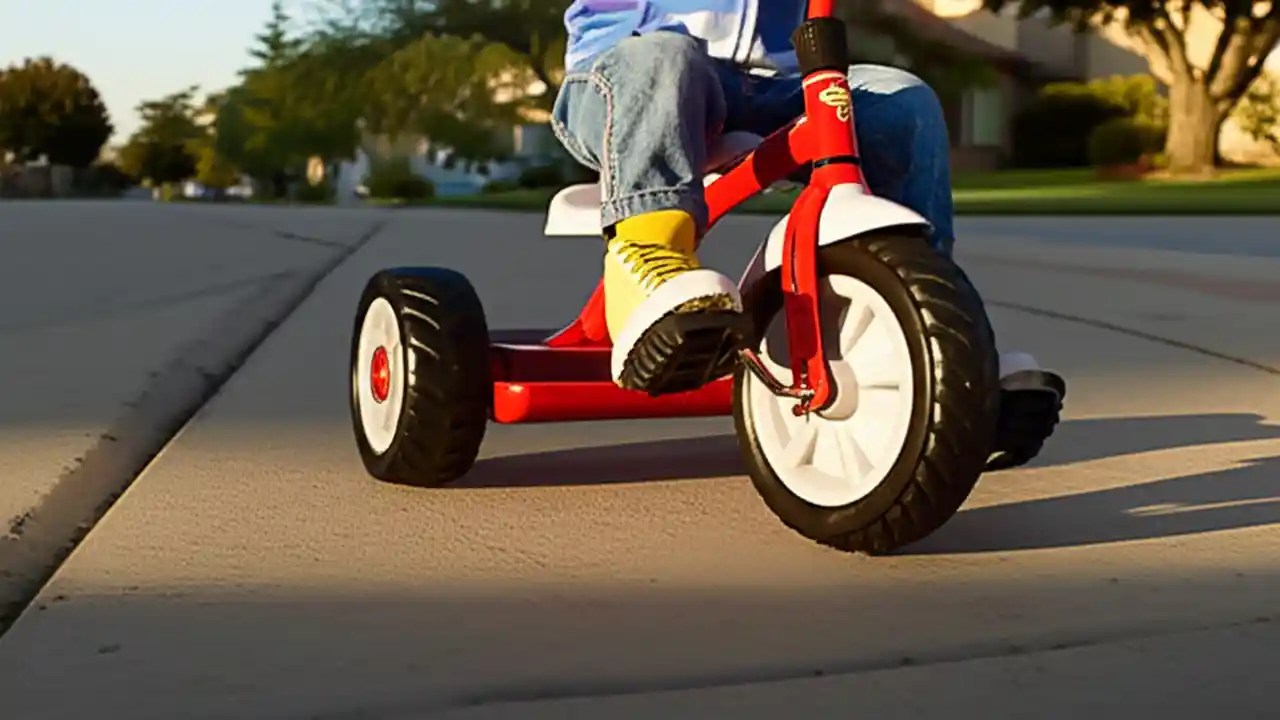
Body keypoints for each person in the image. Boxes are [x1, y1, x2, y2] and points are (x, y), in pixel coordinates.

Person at [553, 1, 1064, 467]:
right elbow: (651, 59)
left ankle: (931, 335)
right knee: (666, 58)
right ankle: (645, 263)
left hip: (772, 84)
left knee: (901, 102)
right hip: (624, 74)